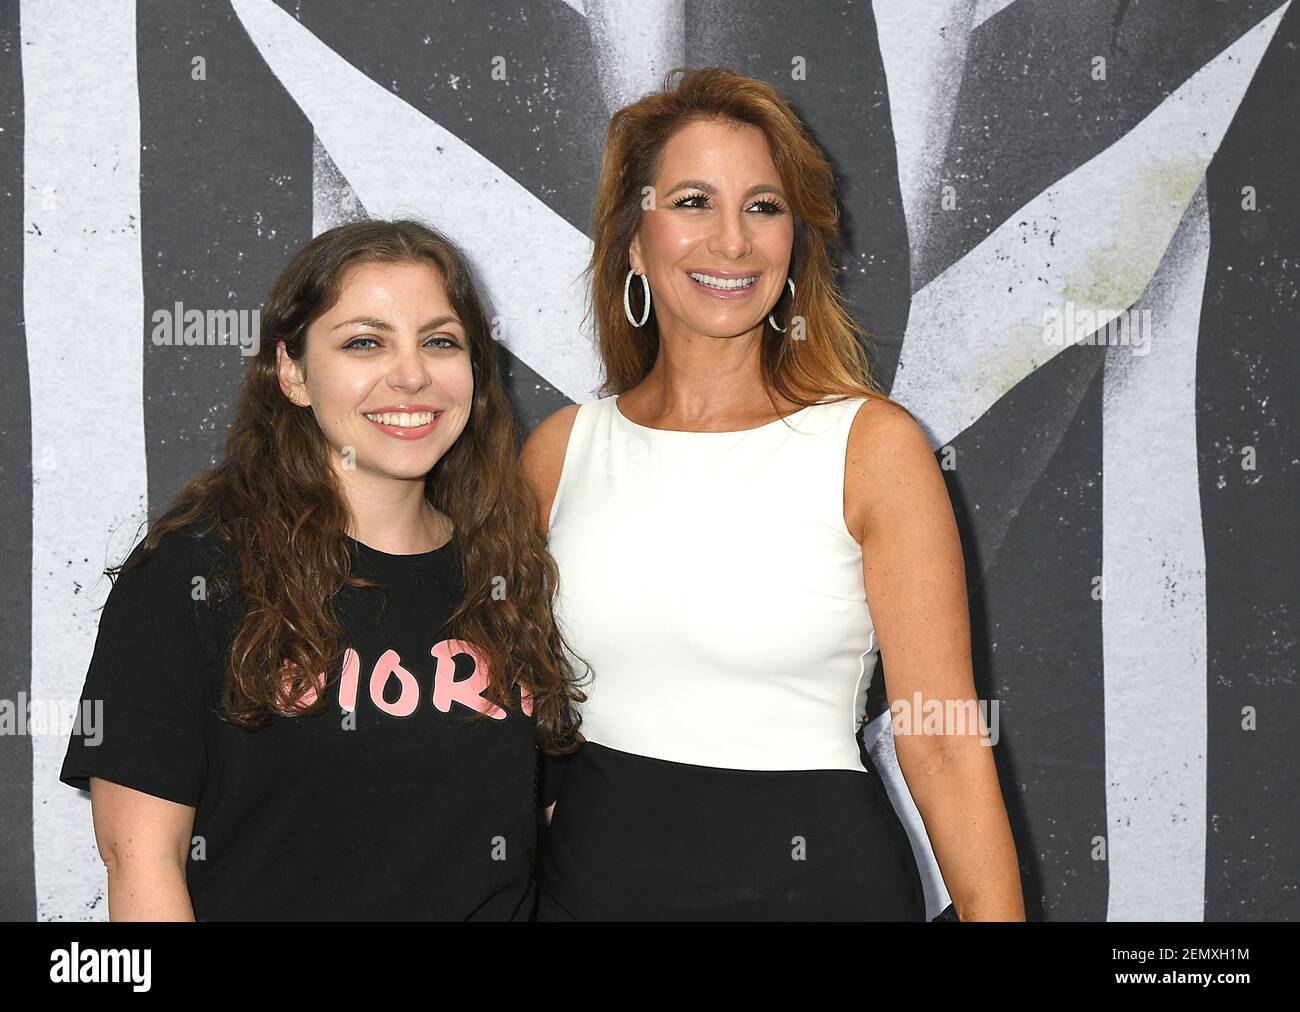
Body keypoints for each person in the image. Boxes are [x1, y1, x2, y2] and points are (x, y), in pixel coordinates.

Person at [522, 68, 1024, 920]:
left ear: (795, 243)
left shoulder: (872, 449)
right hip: (591, 891)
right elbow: (515, 728)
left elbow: (941, 741)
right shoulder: (559, 452)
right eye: (692, 202)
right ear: (634, 242)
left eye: (763, 206)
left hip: (816, 891)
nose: (732, 241)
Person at [60, 218, 584, 921]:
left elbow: (551, 827)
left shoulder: (508, 570)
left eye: (440, 341)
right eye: (365, 342)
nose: (411, 375)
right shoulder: (197, 568)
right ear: (293, 372)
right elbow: (140, 861)